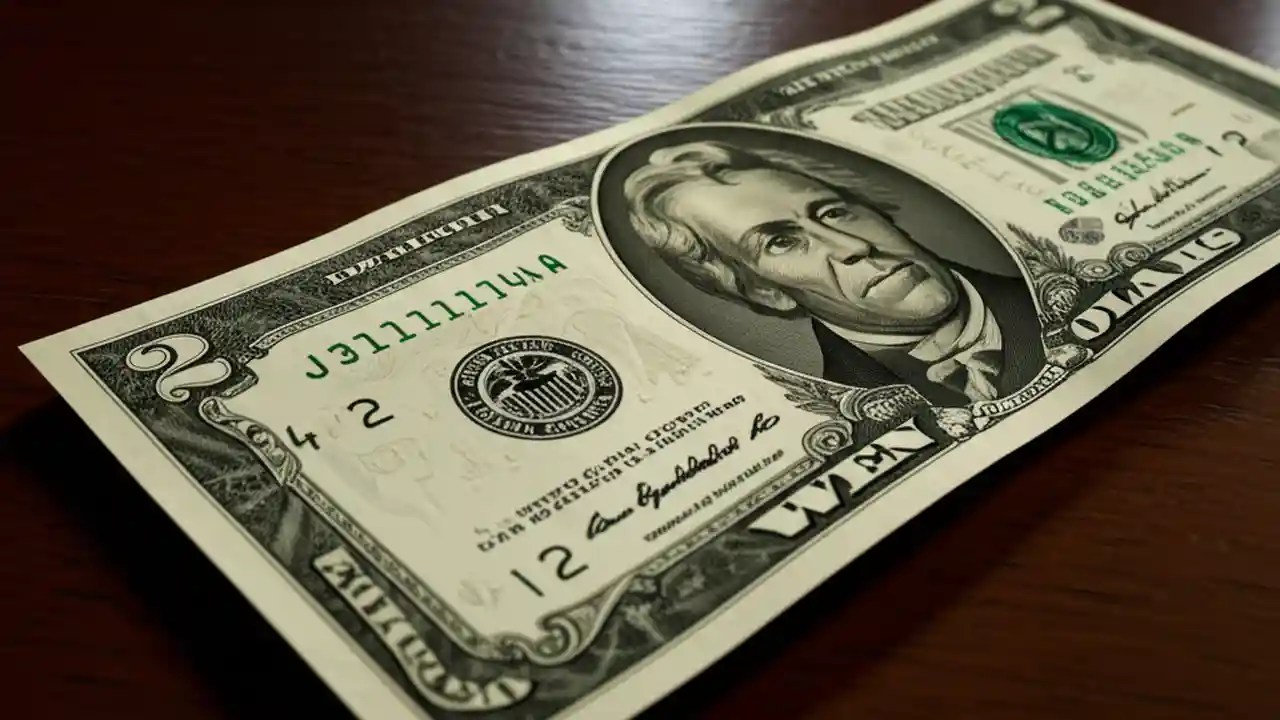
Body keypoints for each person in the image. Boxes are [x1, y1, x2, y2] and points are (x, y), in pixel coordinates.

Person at [623, 140, 1045, 406]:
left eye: (834, 212)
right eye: (781, 242)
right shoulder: (850, 397)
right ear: (763, 292)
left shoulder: (1042, 293)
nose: (854, 247)